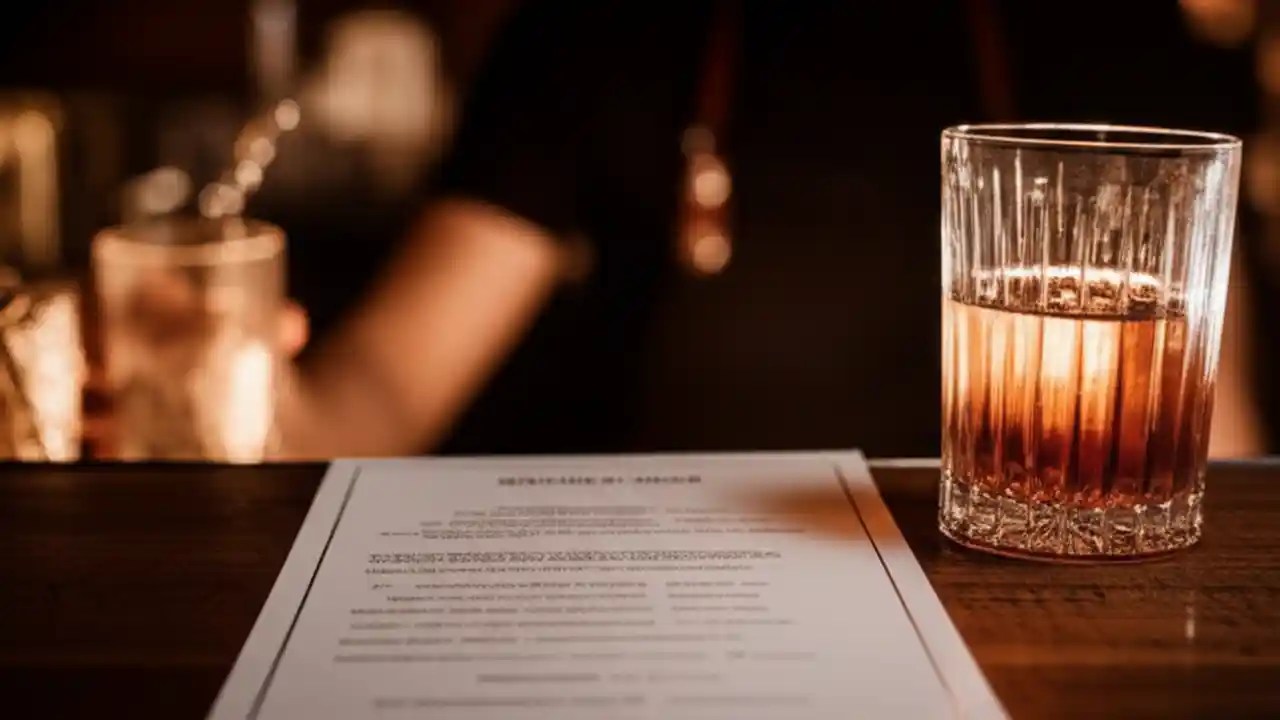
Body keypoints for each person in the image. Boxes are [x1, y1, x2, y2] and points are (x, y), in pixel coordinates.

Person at [275, 1, 1268, 459]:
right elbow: (385, 391)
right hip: (647, 612)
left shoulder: (1120, 43)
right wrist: (229, 393)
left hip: (1007, 610)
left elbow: (1209, 449)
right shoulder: (600, 29)